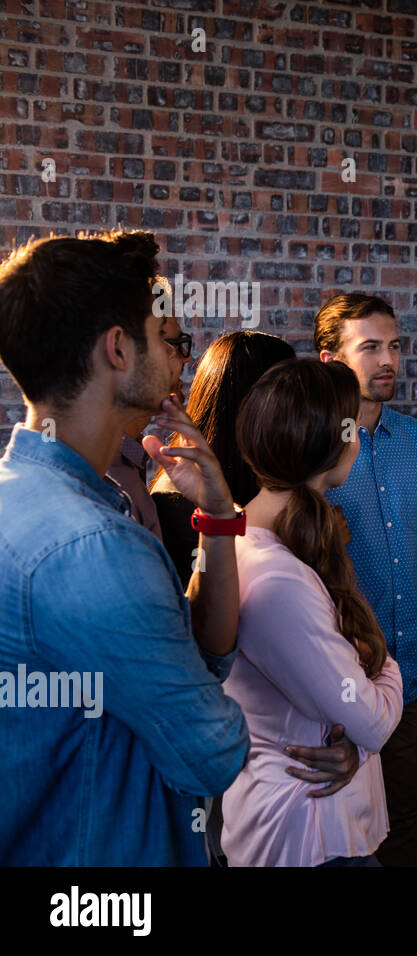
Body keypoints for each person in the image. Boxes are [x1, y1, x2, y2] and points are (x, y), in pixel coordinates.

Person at [0, 229, 249, 865]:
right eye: (163, 335)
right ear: (118, 347)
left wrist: (217, 515)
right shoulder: (96, 545)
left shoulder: (33, 497)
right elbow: (214, 749)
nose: (179, 361)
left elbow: (199, 656)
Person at [219, 358, 404, 867]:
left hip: (318, 820)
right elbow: (370, 721)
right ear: (331, 442)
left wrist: (356, 743)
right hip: (306, 831)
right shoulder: (276, 575)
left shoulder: (255, 540)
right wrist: (386, 664)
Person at [316, 293, 417, 867]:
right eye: (370, 347)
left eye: (394, 346)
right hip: (341, 682)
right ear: (330, 360)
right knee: (343, 825)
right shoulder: (311, 449)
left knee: (404, 816)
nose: (388, 361)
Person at [151, 330, 296, 579]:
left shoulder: (264, 476)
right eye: (291, 395)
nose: (299, 411)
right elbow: (209, 608)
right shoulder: (177, 500)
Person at [106, 305, 189, 540]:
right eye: (174, 344)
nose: (187, 357)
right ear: (120, 351)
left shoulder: (130, 457)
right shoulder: (100, 480)